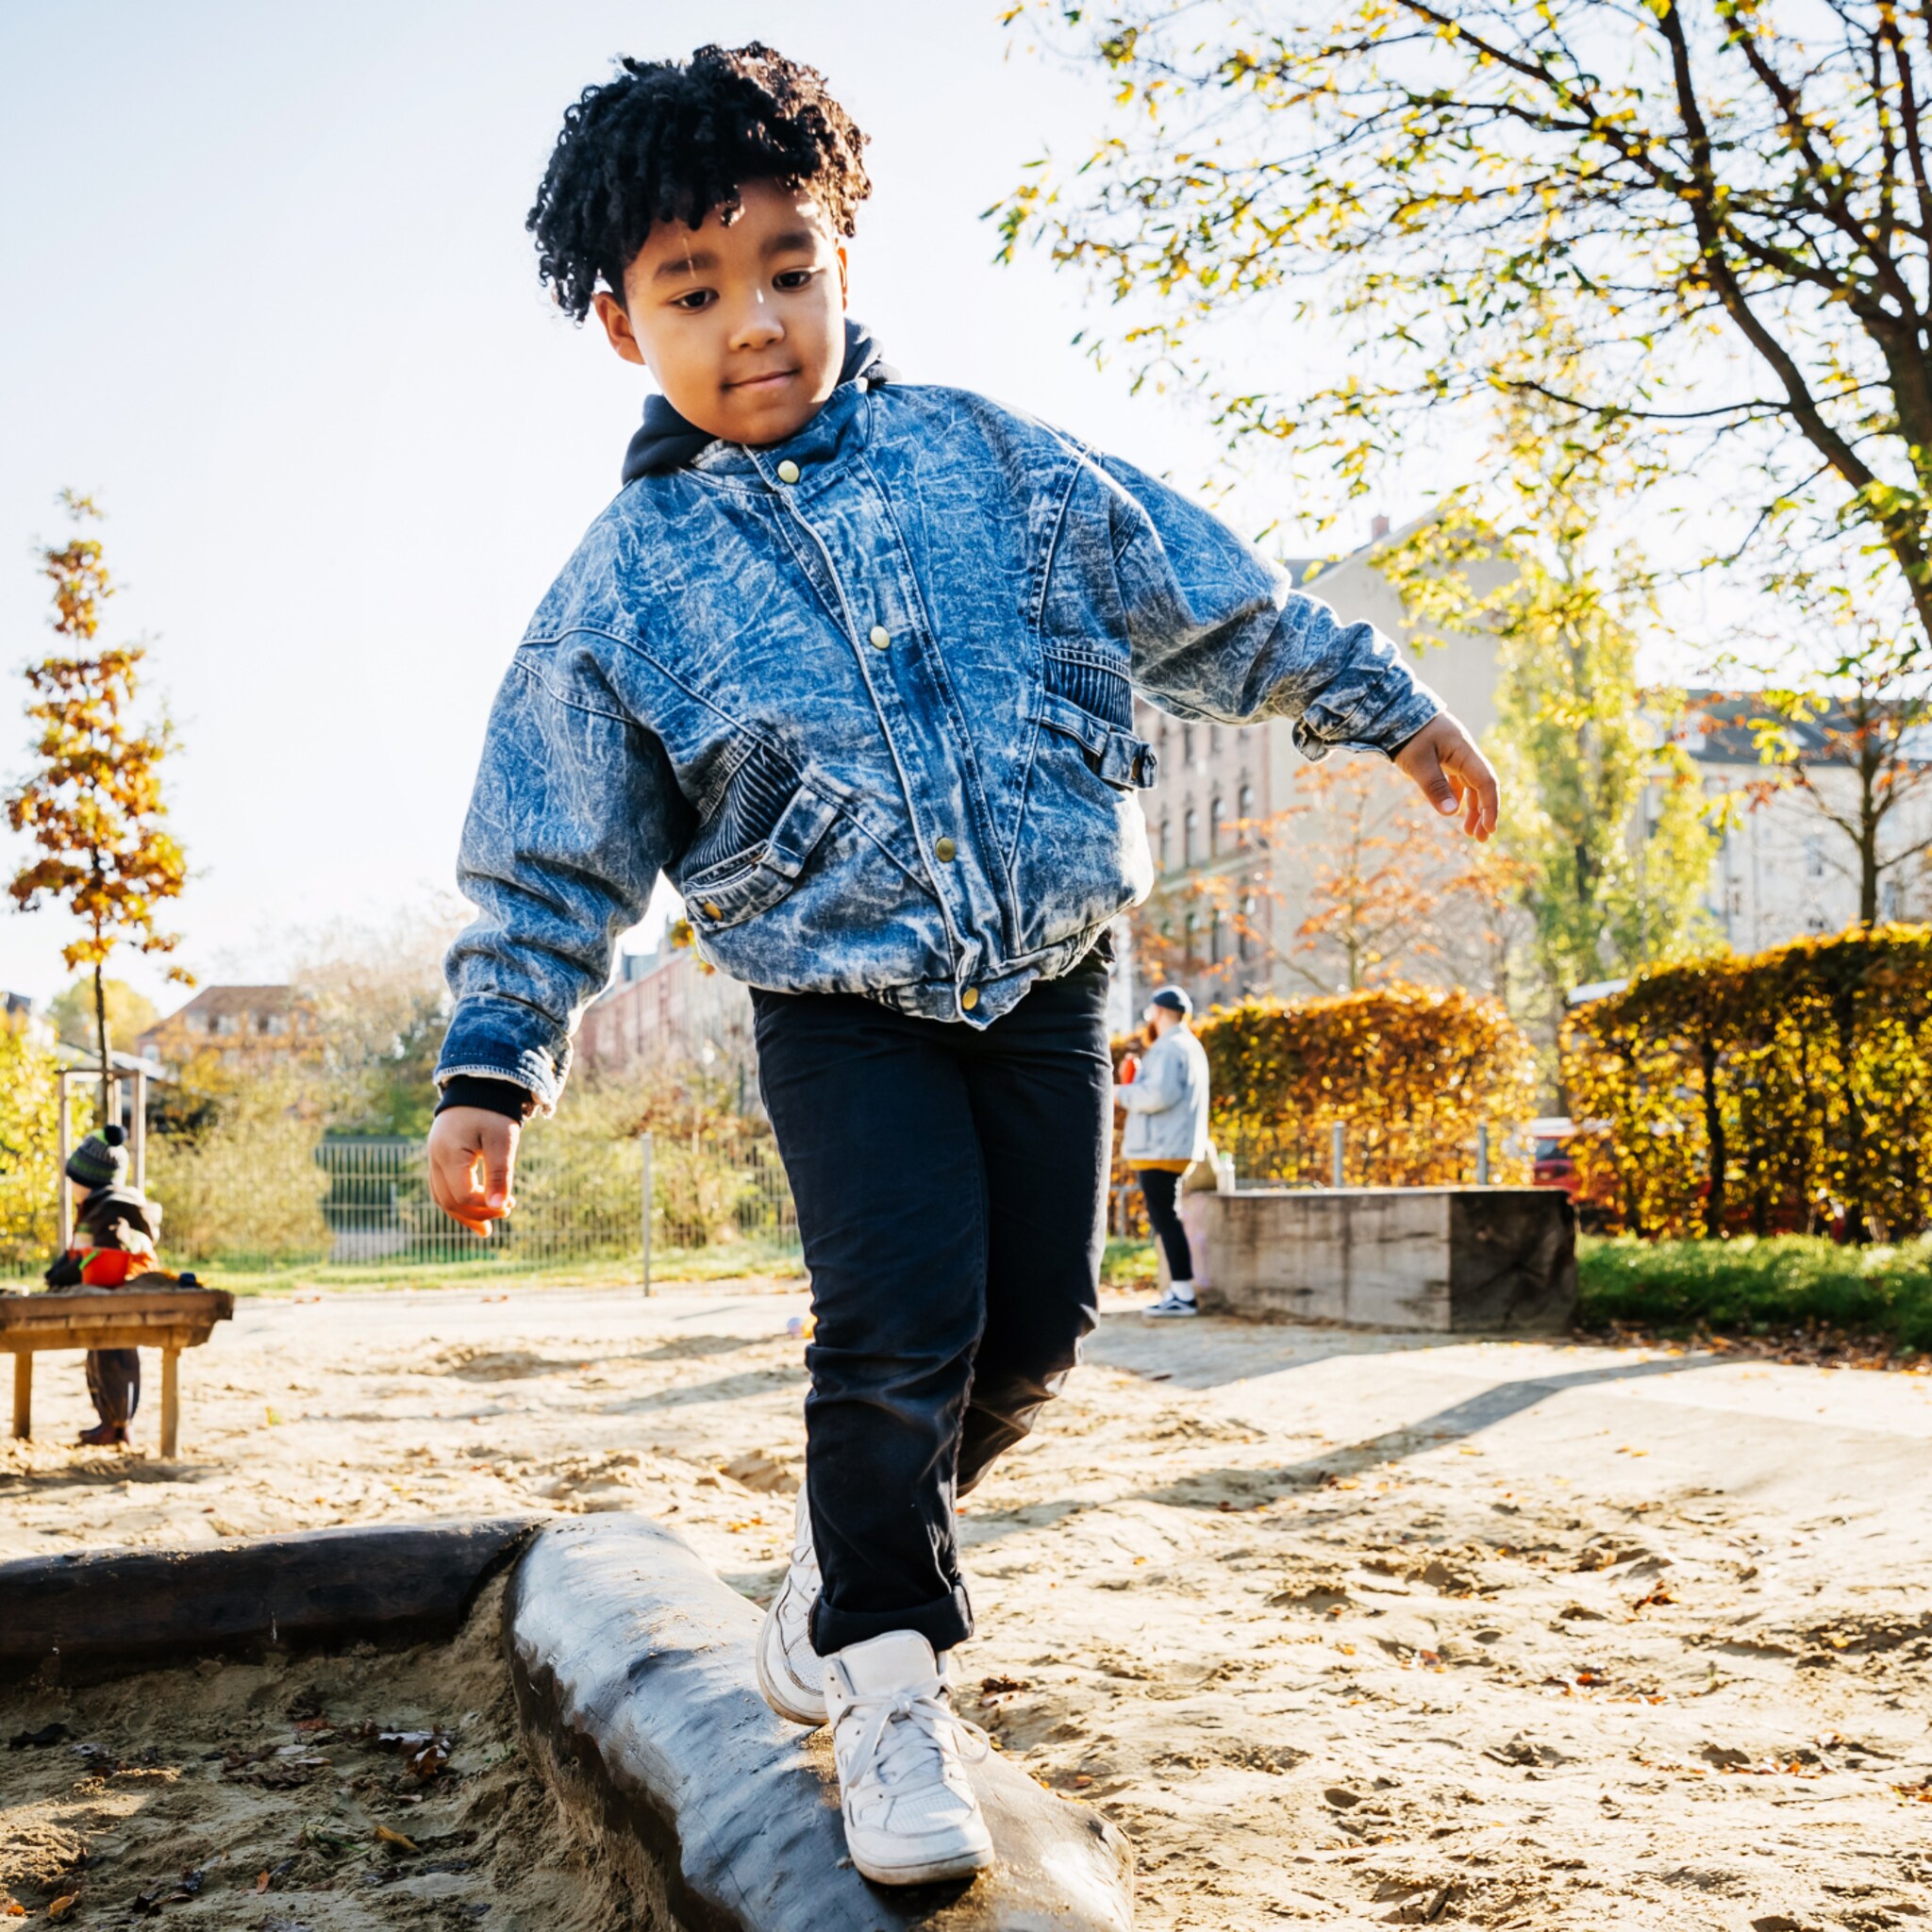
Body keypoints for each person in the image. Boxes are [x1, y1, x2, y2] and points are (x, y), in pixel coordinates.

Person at [424, 42, 1499, 1887]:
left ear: (845, 257)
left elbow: (1207, 598)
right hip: (840, 1003)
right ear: (623, 326)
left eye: (788, 268)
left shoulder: (987, 464)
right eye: (696, 291)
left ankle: (846, 1575)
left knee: (1038, 1331)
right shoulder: (627, 583)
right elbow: (550, 841)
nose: (753, 322)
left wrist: (1382, 708)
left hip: (1055, 970)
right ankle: (888, 1681)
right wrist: (489, 1061)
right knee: (894, 1329)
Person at [43, 1124, 163, 1447]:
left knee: (114, 1354)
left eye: (75, 1179)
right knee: (99, 1352)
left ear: (92, 1180)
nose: (71, 1185)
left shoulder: (113, 1208)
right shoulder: (99, 1206)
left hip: (123, 1294)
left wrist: (69, 1273)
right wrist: (61, 1269)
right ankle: (109, 1421)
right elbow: (82, 1252)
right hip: (108, 1294)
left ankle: (119, 1424)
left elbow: (104, 1253)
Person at [1117, 987, 1210, 1316]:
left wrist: (1120, 1093)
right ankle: (1179, 1291)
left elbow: (1158, 1095)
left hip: (1161, 1147)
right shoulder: (1188, 1045)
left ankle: (1183, 1294)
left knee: (1166, 1218)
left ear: (1158, 1011)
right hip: (1172, 1145)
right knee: (1167, 1217)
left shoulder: (1170, 1047)